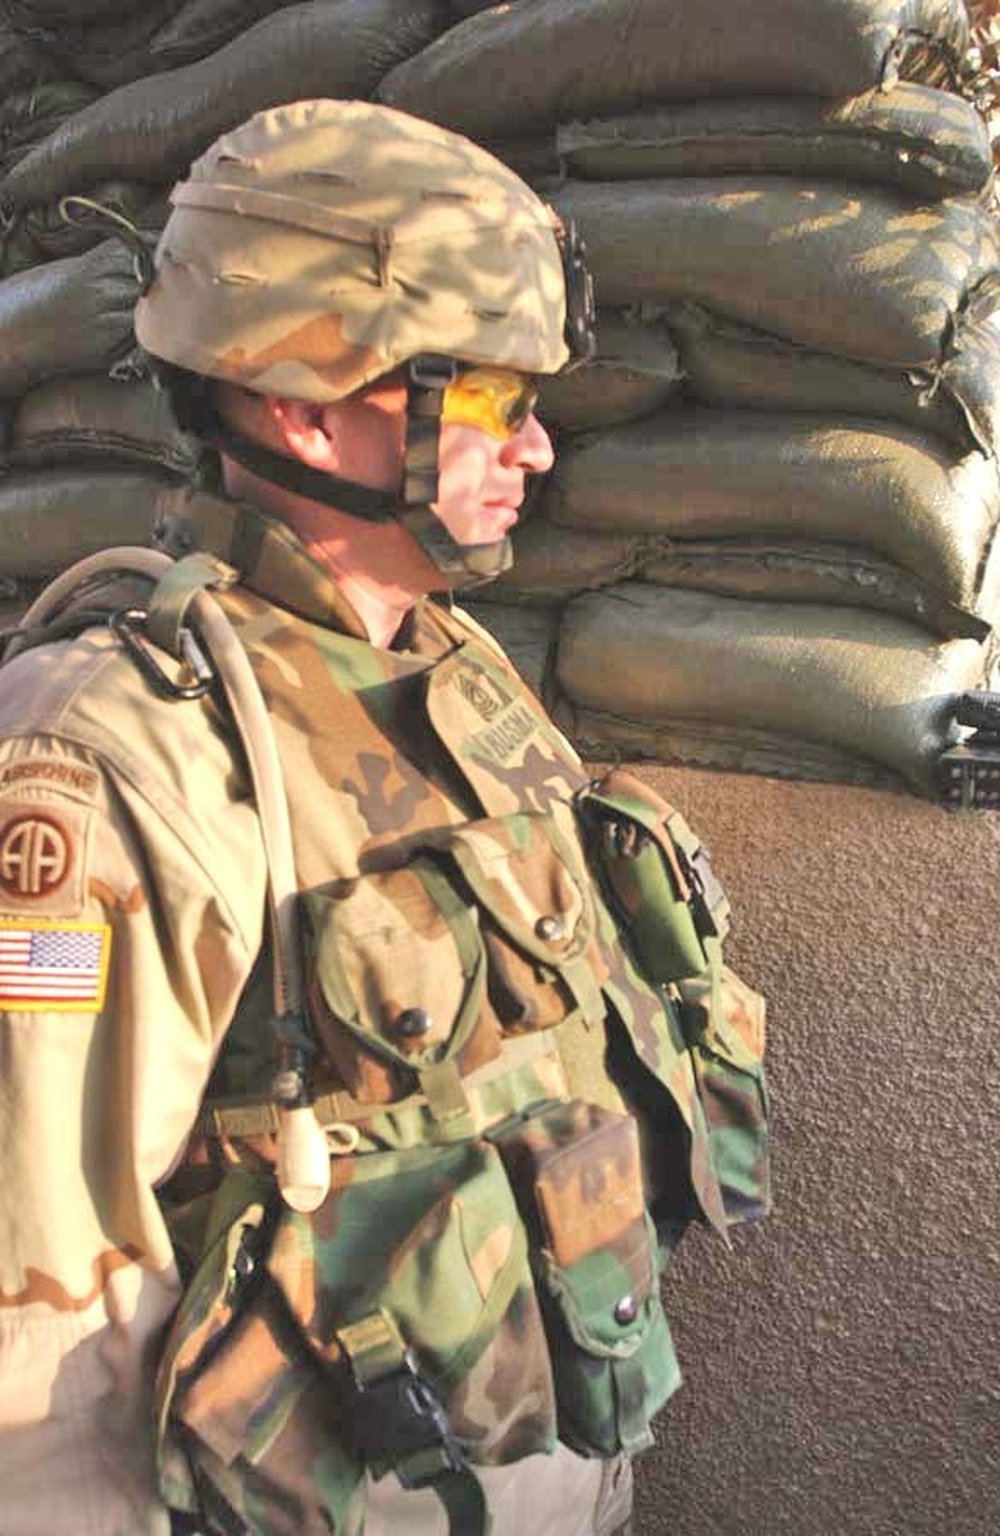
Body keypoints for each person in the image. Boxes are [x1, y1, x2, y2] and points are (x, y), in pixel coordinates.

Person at [0, 100, 769, 1536]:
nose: (535, 450)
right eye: (494, 400)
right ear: (305, 402)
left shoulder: (447, 667)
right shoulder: (116, 754)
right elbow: (33, 1334)